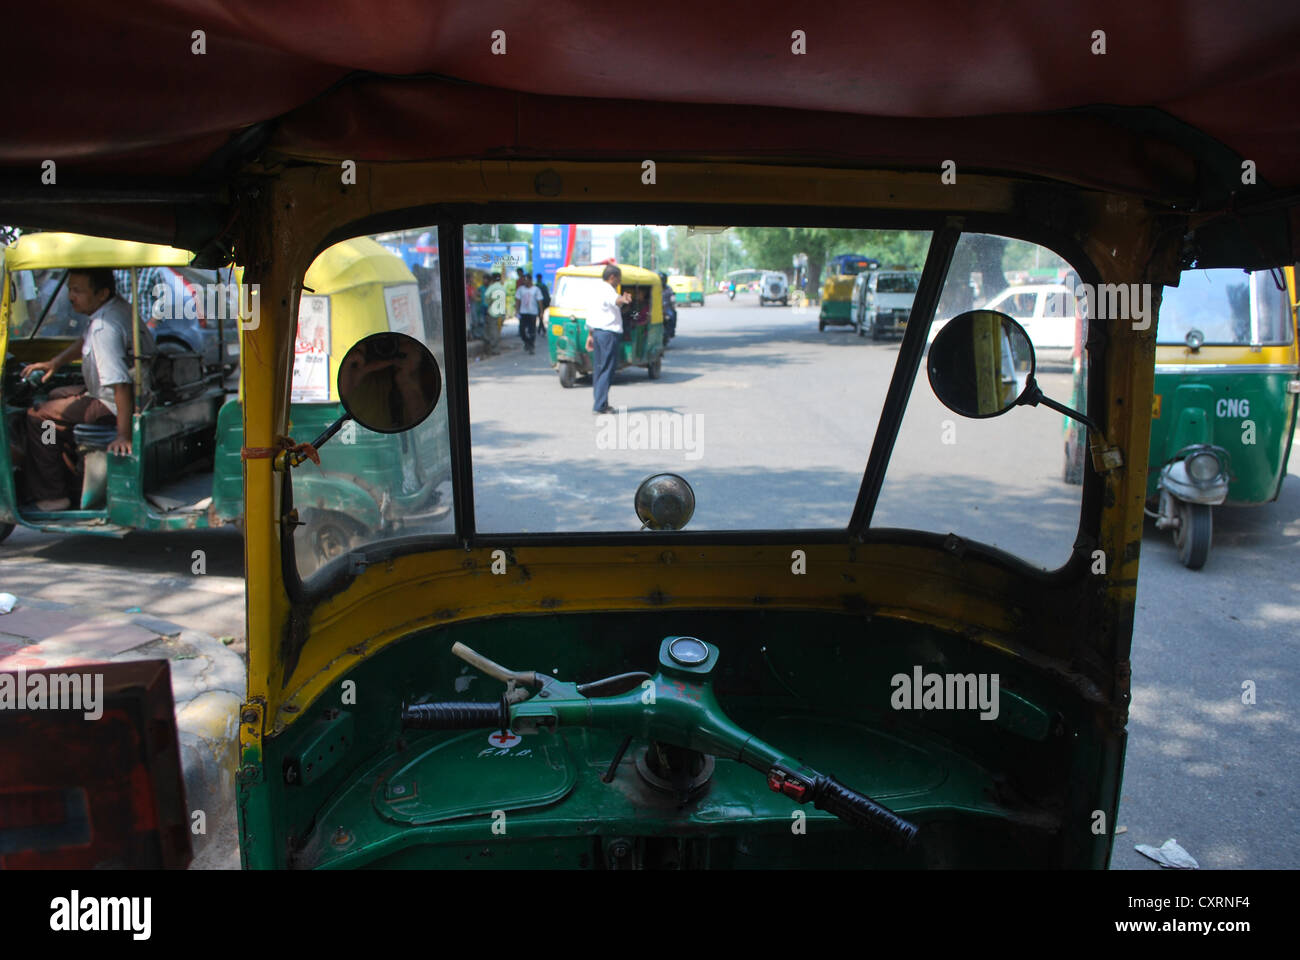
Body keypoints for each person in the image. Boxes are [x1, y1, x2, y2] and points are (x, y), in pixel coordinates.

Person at [18, 268, 154, 510]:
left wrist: (123, 434)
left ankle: (52, 496)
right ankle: (65, 456)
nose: (71, 296)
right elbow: (85, 338)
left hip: (112, 403)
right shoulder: (113, 308)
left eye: (78, 291)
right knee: (53, 395)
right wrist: (55, 363)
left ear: (101, 293)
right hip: (126, 394)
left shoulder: (104, 328)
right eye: (70, 289)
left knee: (38, 417)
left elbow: (119, 384)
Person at [584, 264, 632, 414]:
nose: (619, 282)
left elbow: (592, 314)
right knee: (607, 370)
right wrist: (623, 300)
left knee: (599, 370)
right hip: (608, 335)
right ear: (612, 277)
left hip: (598, 333)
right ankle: (599, 406)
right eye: (619, 279)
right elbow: (616, 300)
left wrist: (590, 335)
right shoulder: (608, 290)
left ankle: (601, 403)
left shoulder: (594, 290)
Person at [515, 274, 541, 354]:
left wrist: (541, 312)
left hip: (533, 312)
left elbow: (540, 301)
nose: (525, 281)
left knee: (532, 330)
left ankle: (531, 345)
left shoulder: (536, 289)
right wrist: (517, 310)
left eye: (526, 280)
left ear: (530, 280)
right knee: (521, 330)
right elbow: (518, 300)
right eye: (524, 280)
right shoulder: (520, 289)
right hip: (523, 312)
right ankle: (527, 342)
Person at [483, 272, 505, 355]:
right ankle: (495, 348)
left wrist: (488, 302)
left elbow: (486, 296)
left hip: (492, 312)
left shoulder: (492, 287)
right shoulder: (502, 287)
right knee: (497, 331)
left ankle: (494, 349)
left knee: (493, 331)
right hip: (501, 312)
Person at [658, 272, 676, 341]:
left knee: (673, 314)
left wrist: (673, 302)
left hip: (667, 308)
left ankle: (671, 331)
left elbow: (672, 297)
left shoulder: (668, 288)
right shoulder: (656, 288)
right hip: (657, 309)